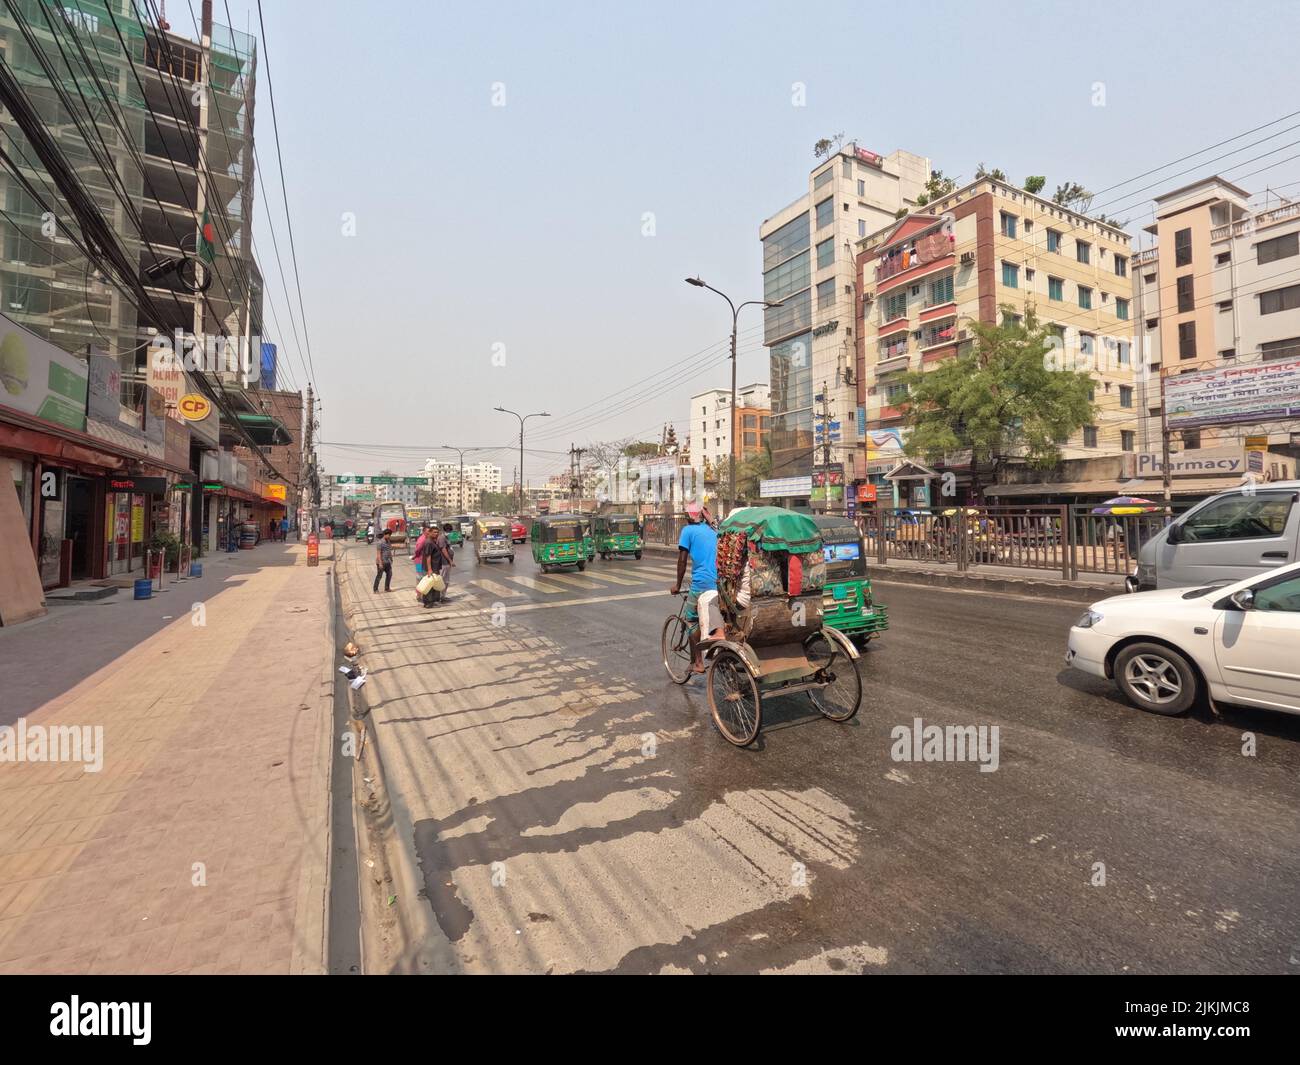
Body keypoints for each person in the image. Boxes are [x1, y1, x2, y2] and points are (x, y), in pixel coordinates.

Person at [669, 501, 717, 674]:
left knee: (691, 621)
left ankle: (698, 661)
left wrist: (678, 585)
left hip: (701, 585)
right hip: (719, 585)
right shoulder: (713, 530)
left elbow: (682, 560)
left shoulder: (687, 531)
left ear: (688, 516)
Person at [419, 524, 453, 607]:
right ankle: (428, 603)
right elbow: (428, 556)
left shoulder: (433, 541)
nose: (436, 534)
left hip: (435, 567)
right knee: (429, 586)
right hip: (431, 568)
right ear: (429, 533)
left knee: (433, 585)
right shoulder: (428, 542)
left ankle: (432, 602)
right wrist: (430, 569)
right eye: (434, 532)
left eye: (437, 532)